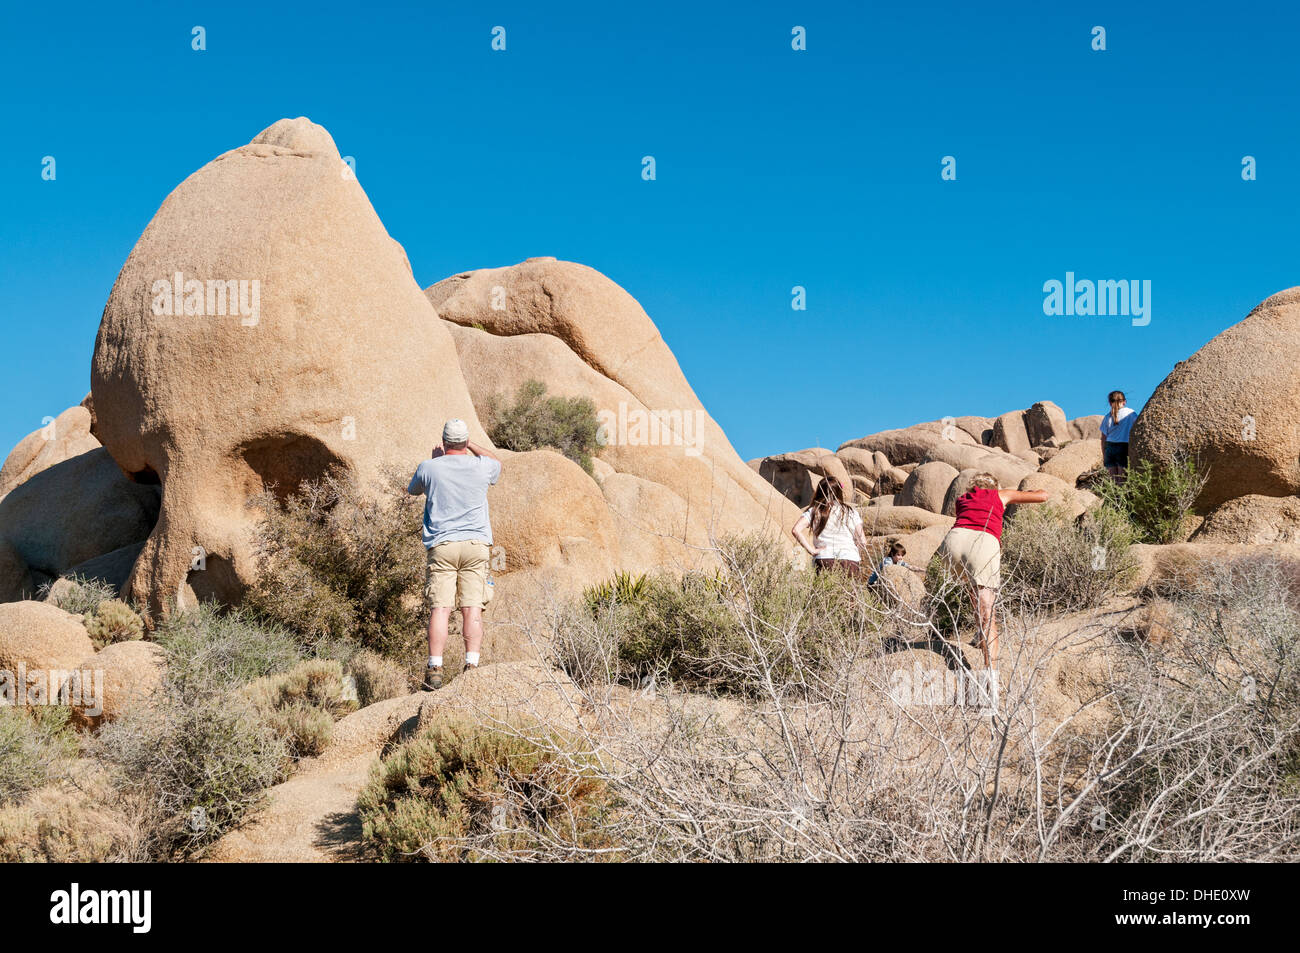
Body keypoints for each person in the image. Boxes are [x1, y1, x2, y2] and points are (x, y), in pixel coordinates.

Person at [407, 419, 502, 691]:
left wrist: (436, 460)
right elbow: (496, 462)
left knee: (441, 608)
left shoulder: (429, 467)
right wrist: (471, 444)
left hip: (443, 546)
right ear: (465, 442)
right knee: (472, 606)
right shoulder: (481, 466)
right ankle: (471, 665)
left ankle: (435, 669)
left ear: (444, 441)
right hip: (475, 545)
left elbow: (413, 489)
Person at [937, 473, 1048, 682]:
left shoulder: (962, 500)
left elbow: (967, 519)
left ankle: (980, 637)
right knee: (989, 613)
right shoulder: (1000, 495)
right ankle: (991, 677)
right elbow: (1043, 497)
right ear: (995, 486)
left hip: (952, 544)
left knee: (974, 588)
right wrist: (1031, 492)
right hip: (982, 542)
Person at [791, 478, 867, 575]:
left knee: (824, 590)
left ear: (819, 492)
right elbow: (863, 541)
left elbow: (796, 530)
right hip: (850, 560)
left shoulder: (815, 511)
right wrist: (855, 553)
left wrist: (812, 551)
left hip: (824, 559)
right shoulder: (851, 512)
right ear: (839, 492)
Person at [1100, 390, 1136, 477]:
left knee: (1113, 480)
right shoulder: (1131, 413)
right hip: (1123, 447)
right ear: (1124, 402)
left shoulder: (1107, 417)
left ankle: (1112, 491)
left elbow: (1103, 438)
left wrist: (1104, 454)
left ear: (1109, 402)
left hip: (1110, 447)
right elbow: (1138, 426)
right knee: (1122, 478)